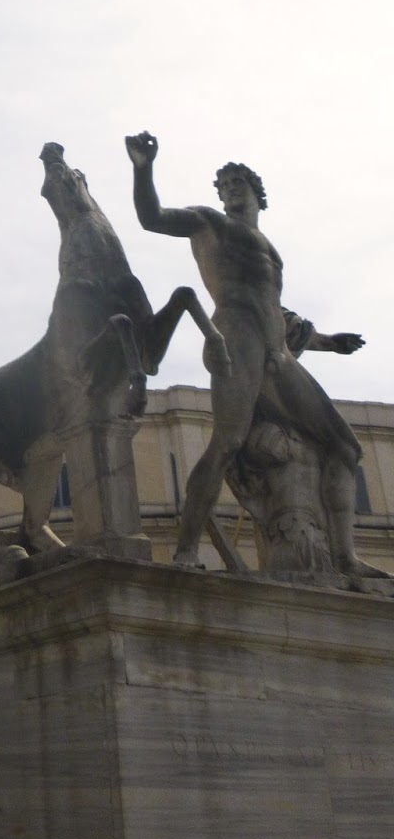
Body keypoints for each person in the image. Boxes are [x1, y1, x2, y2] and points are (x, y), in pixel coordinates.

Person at [125, 131, 375, 574]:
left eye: (237, 183)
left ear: (257, 192)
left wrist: (328, 343)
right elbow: (151, 217)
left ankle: (346, 558)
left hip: (277, 351)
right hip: (236, 337)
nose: (229, 191)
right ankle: (185, 550)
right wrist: (143, 168)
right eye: (223, 187)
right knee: (227, 442)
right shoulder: (209, 224)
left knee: (346, 447)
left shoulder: (272, 253)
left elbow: (279, 314)